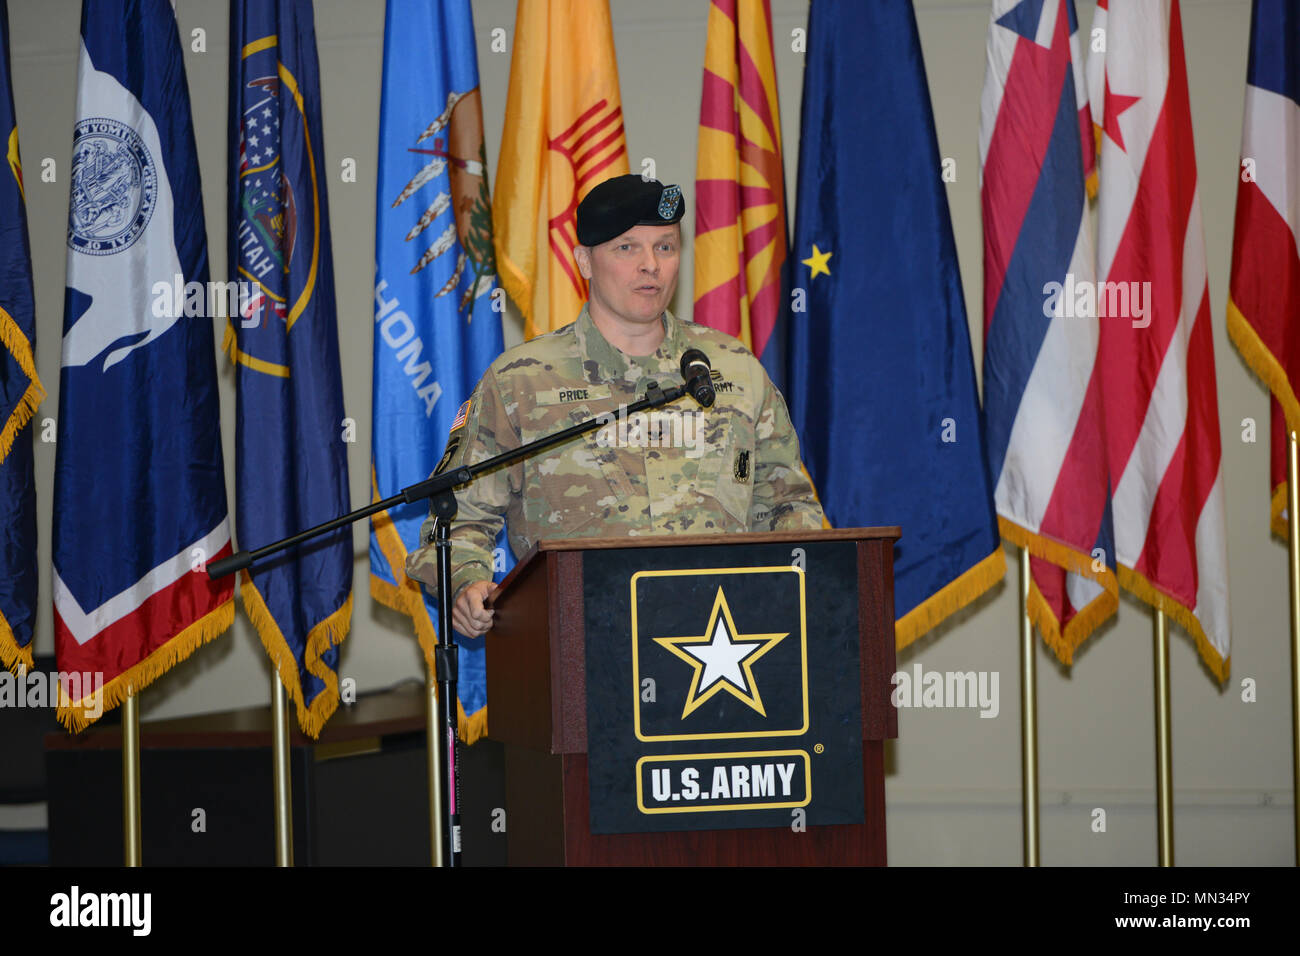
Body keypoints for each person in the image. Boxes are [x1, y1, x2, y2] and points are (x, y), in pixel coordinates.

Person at [405, 174, 824, 638]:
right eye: (627, 248)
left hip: (728, 649)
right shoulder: (520, 382)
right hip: (580, 652)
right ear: (584, 260)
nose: (651, 266)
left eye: (665, 247)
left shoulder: (734, 372)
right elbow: (456, 523)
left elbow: (790, 504)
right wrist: (466, 584)